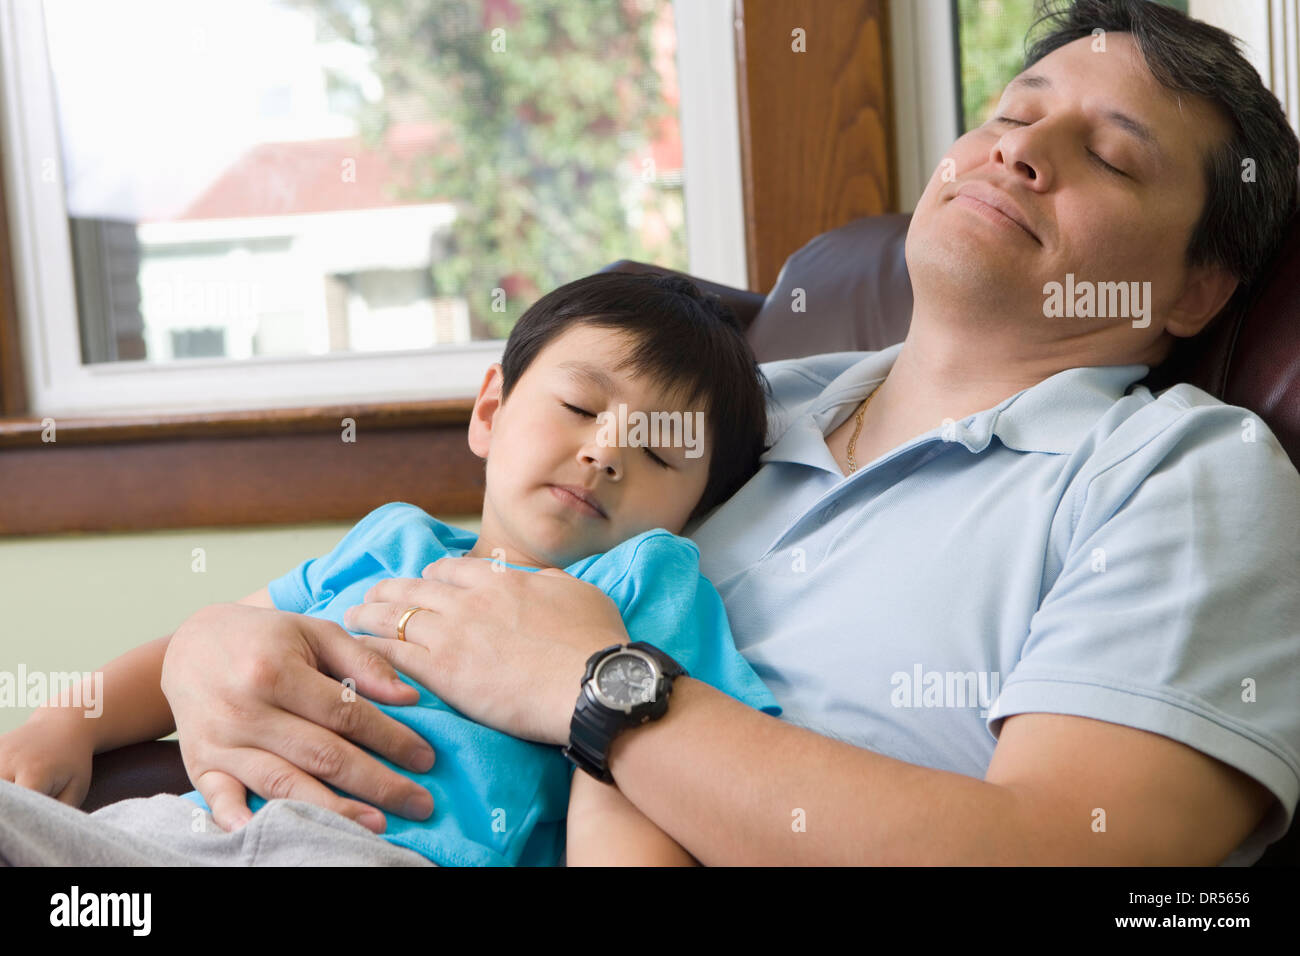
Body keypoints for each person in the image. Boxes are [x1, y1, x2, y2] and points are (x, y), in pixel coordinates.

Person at [19, 0, 1300, 866]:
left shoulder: (1177, 475)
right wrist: (210, 646)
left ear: (1195, 289)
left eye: (1110, 157)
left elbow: (1067, 852)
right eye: (1012, 114)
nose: (1021, 153)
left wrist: (600, 697)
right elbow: (426, 588)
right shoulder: (721, 411)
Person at [0, 272, 783, 866]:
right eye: (579, 408)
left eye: (657, 450)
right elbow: (200, 647)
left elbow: (657, 772)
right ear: (490, 412)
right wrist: (64, 721)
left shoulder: (646, 586)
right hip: (182, 835)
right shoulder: (393, 542)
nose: (604, 452)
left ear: (696, 511)